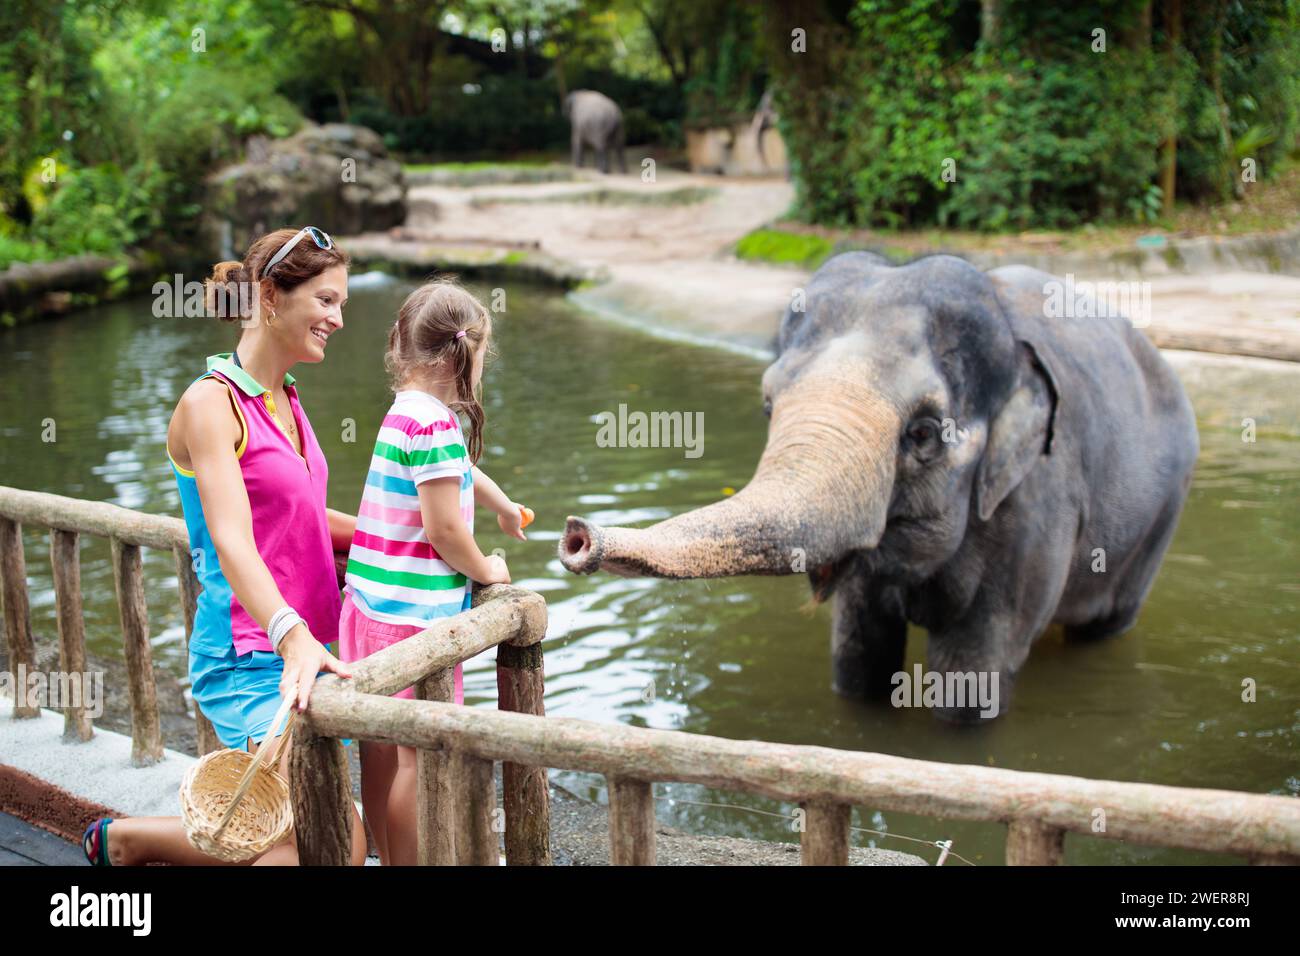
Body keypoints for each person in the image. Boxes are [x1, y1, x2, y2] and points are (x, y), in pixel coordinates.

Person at [82, 226, 369, 866]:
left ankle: (127, 841)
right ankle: (129, 842)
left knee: (320, 832)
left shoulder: (287, 399)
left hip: (312, 647)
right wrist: (291, 634)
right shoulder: (211, 405)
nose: (338, 318)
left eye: (341, 302)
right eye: (326, 301)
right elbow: (232, 537)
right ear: (271, 296)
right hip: (251, 654)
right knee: (317, 838)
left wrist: (402, 537)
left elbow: (301, 515)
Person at [339, 278, 527, 865]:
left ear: (404, 346)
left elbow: (460, 474)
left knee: (378, 746)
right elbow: (445, 532)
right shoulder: (438, 426)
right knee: (417, 759)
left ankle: (383, 854)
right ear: (466, 356)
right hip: (413, 625)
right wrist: (488, 568)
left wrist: (499, 505)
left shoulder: (405, 413)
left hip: (367, 611)